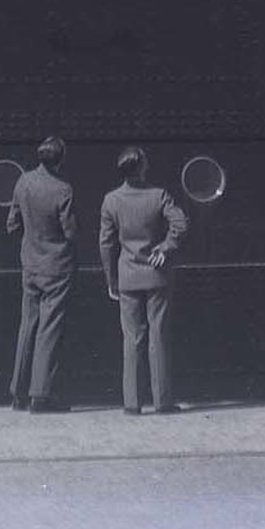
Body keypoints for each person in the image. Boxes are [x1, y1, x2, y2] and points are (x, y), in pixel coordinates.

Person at [98, 147, 188, 415]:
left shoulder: (111, 200)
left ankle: (132, 403)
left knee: (131, 338)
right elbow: (181, 224)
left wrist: (110, 278)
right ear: (142, 167)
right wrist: (165, 247)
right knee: (158, 335)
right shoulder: (159, 196)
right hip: (156, 276)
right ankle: (162, 402)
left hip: (127, 276)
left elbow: (105, 244)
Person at [5, 136, 77, 412]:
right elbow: (71, 232)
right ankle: (41, 396)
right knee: (49, 329)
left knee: (28, 325)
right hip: (57, 267)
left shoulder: (23, 182)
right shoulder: (63, 189)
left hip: (30, 265)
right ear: (60, 159)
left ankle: (18, 393)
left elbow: (12, 224)